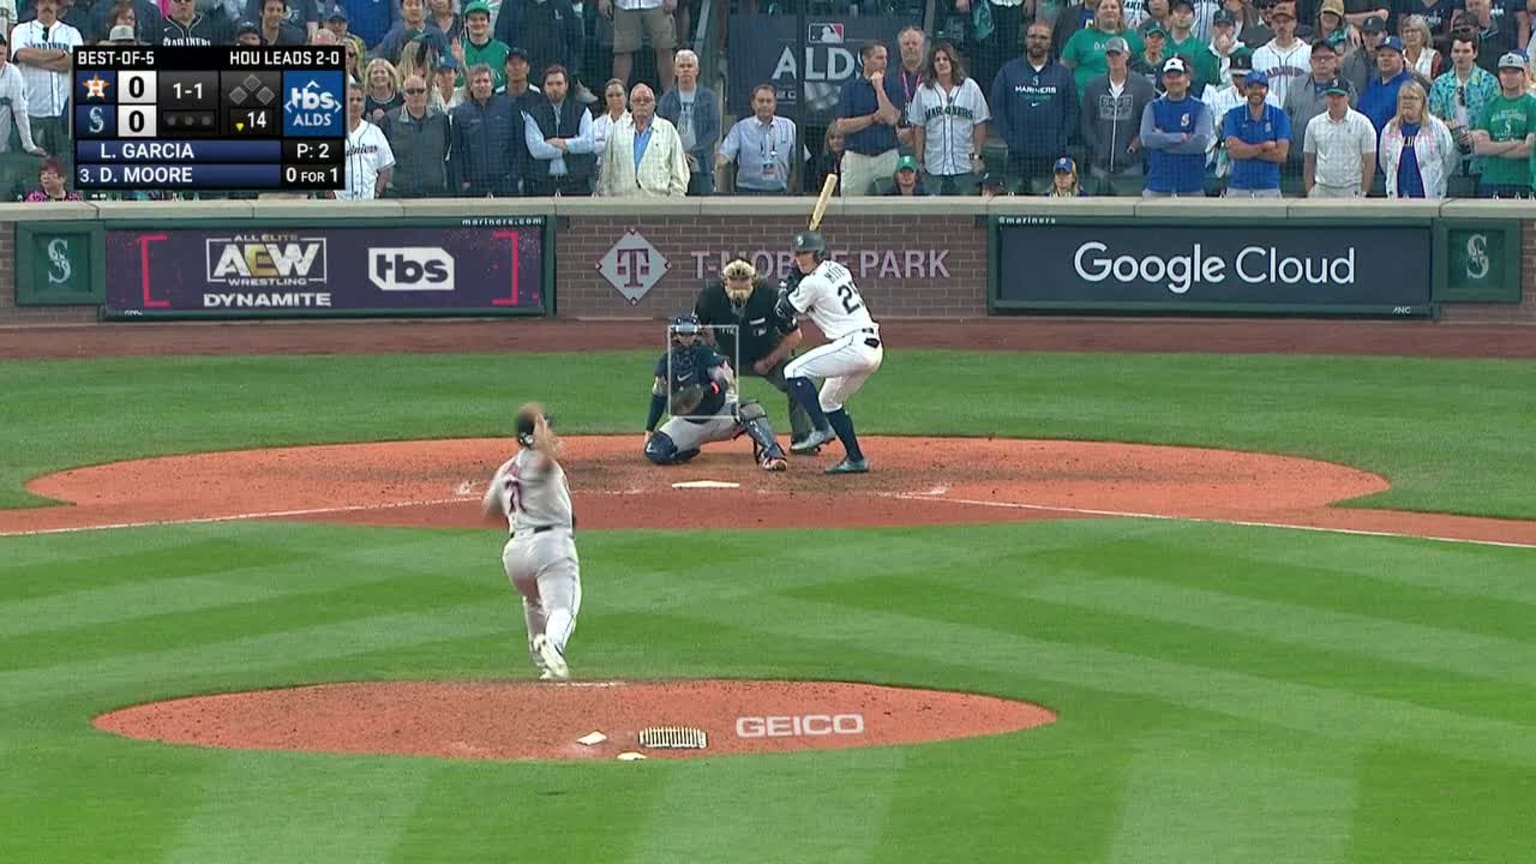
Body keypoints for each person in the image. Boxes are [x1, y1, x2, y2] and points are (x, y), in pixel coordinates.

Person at [481, 403, 580, 682]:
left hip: (515, 552)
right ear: (531, 436)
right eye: (546, 427)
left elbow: (489, 510)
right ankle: (554, 645)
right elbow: (546, 458)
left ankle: (544, 664)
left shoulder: (505, 470)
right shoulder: (542, 461)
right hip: (550, 546)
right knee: (563, 607)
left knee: (534, 600)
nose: (552, 432)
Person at [781, 231, 883, 475]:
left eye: (805, 254)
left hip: (853, 344)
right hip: (871, 347)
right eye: (797, 254)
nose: (800, 259)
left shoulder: (812, 283)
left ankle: (821, 428)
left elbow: (783, 312)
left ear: (818, 254)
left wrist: (786, 286)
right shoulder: (837, 269)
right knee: (829, 401)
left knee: (792, 370)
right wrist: (796, 283)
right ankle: (856, 459)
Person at [692, 256, 816, 450]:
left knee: (798, 383)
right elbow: (695, 332)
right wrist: (712, 357)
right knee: (694, 382)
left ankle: (803, 438)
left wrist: (768, 361)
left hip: (767, 355)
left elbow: (795, 336)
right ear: (725, 280)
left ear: (754, 279)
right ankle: (690, 438)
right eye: (734, 280)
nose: (739, 286)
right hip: (728, 357)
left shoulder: (769, 296)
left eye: (744, 280)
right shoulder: (710, 297)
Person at [643, 313, 791, 472]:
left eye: (690, 332)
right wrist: (649, 430)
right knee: (655, 451)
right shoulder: (666, 363)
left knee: (750, 409)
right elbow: (659, 396)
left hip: (720, 413)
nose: (686, 337)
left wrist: (711, 388)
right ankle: (688, 449)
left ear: (697, 333)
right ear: (675, 334)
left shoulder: (706, 354)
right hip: (689, 423)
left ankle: (772, 453)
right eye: (682, 333)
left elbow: (727, 378)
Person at [597, 83, 689, 197]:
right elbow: (606, 173)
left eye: (647, 100)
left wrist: (673, 203)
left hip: (658, 204)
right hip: (622, 204)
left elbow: (679, 173)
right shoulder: (617, 130)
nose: (642, 103)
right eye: (637, 100)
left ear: (654, 104)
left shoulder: (668, 130)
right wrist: (608, 202)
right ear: (630, 104)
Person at [1142, 56, 1216, 195]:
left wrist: (1162, 140)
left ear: (1187, 79)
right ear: (1163, 80)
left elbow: (1200, 143)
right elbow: (1147, 139)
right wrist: (1181, 137)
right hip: (1158, 185)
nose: (1174, 81)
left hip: (1192, 186)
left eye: (1178, 76)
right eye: (1169, 76)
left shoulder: (1201, 108)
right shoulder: (1152, 107)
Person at [1380, 80, 1458, 196]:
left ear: (1422, 101)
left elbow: (1449, 160)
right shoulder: (1389, 129)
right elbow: (1385, 162)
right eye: (1403, 98)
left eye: (1412, 98)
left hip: (1430, 196)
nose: (1407, 102)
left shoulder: (1437, 128)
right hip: (1398, 196)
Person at [1303, 78, 1376, 196]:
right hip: (1322, 189)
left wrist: (1363, 193)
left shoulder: (1363, 124)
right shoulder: (1314, 124)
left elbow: (1370, 162)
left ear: (1348, 97)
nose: (1335, 101)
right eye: (1331, 96)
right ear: (1326, 97)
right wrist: (1310, 191)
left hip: (1352, 189)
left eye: (1339, 96)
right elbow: (1308, 162)